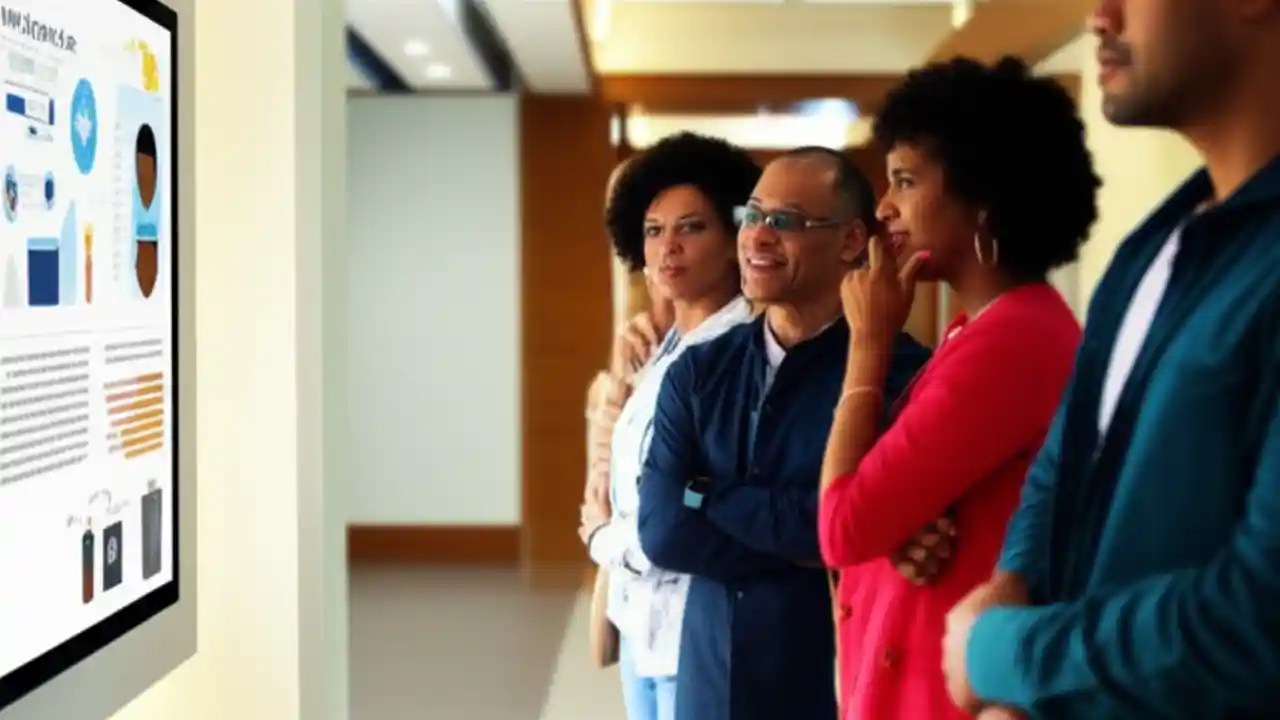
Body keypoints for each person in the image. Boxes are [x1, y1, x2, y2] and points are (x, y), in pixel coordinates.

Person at [944, 2, 1280, 719]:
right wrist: (1014, 590)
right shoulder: (1151, 248)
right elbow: (1066, 467)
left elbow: (1259, 622)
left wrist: (1006, 654)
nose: (1099, 15)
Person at [816, 56, 1097, 720]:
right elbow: (874, 516)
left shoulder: (1016, 340)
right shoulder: (982, 330)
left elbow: (841, 524)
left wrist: (869, 344)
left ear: (984, 199)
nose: (884, 206)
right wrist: (895, 535)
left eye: (906, 181)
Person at [637, 147, 932, 720]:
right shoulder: (699, 372)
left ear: (851, 241)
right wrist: (816, 539)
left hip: (830, 680)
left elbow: (852, 528)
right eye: (752, 216)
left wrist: (709, 493)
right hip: (710, 678)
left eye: (785, 222)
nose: (757, 237)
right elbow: (665, 532)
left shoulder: (896, 374)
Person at [579, 132, 761, 720]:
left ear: (735, 240)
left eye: (691, 228)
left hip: (699, 627)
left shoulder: (741, 351)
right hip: (641, 627)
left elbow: (696, 502)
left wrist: (606, 540)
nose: (668, 248)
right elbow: (614, 473)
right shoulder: (660, 347)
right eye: (654, 231)